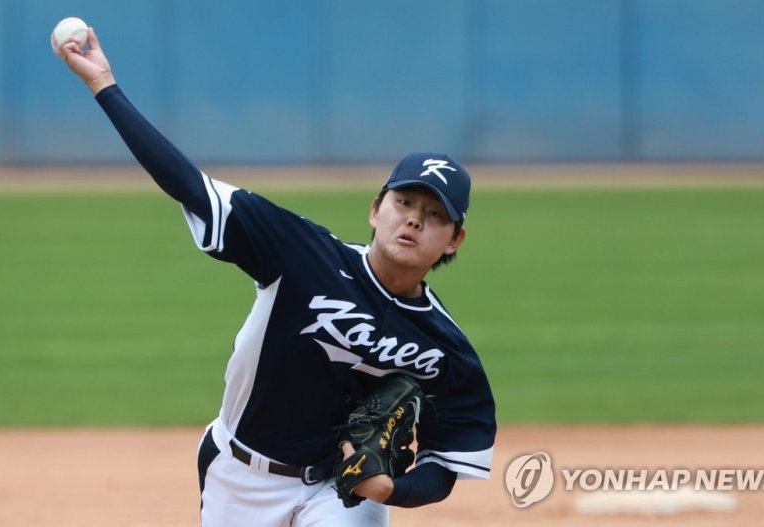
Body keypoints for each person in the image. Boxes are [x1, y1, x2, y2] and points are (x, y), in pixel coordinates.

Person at [52, 25, 496, 526]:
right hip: (239, 475)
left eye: (435, 214)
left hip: (340, 492)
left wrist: (392, 488)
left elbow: (445, 462)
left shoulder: (444, 347)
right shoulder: (302, 254)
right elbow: (189, 185)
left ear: (454, 240)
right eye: (405, 202)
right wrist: (104, 86)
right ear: (376, 209)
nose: (414, 219)